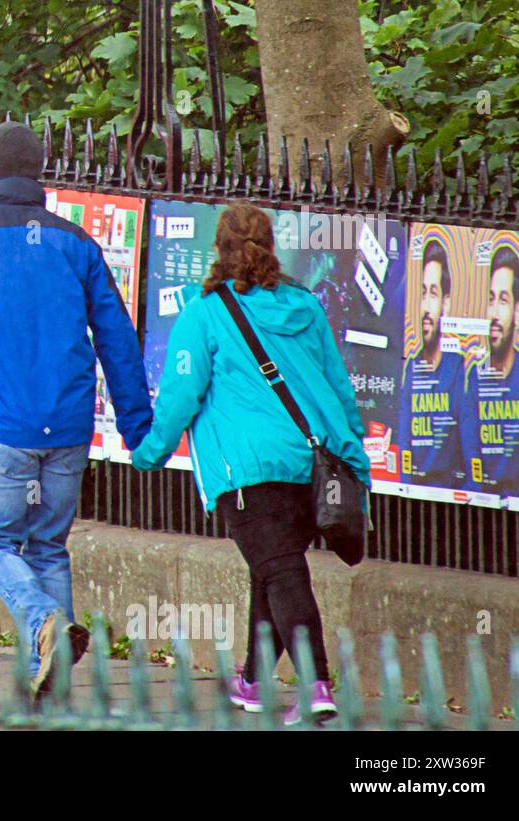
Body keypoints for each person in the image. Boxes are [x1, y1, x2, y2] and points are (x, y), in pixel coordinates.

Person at [0, 122, 153, 701]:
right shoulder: (77, 241)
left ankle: (44, 624)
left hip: (5, 424)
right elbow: (117, 337)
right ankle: (57, 675)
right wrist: (137, 426)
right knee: (47, 546)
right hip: (68, 425)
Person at [130, 202, 370, 725]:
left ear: (219, 250)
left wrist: (149, 452)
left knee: (282, 572)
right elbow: (339, 390)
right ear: (270, 246)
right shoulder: (305, 305)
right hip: (312, 465)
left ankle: (316, 684)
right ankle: (256, 681)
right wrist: (355, 461)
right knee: (272, 569)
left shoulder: (205, 312)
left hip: (248, 471)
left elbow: (180, 395)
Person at [462, 246, 519, 498]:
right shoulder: (474, 376)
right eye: (490, 299)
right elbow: (469, 454)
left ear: (518, 310)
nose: (493, 313)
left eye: (502, 300)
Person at [398, 238, 468, 489]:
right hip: (408, 493)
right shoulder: (411, 366)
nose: (426, 307)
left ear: (446, 302)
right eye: (423, 293)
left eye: (434, 293)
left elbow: (467, 450)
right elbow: (403, 441)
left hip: (452, 496)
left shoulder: (459, 368)